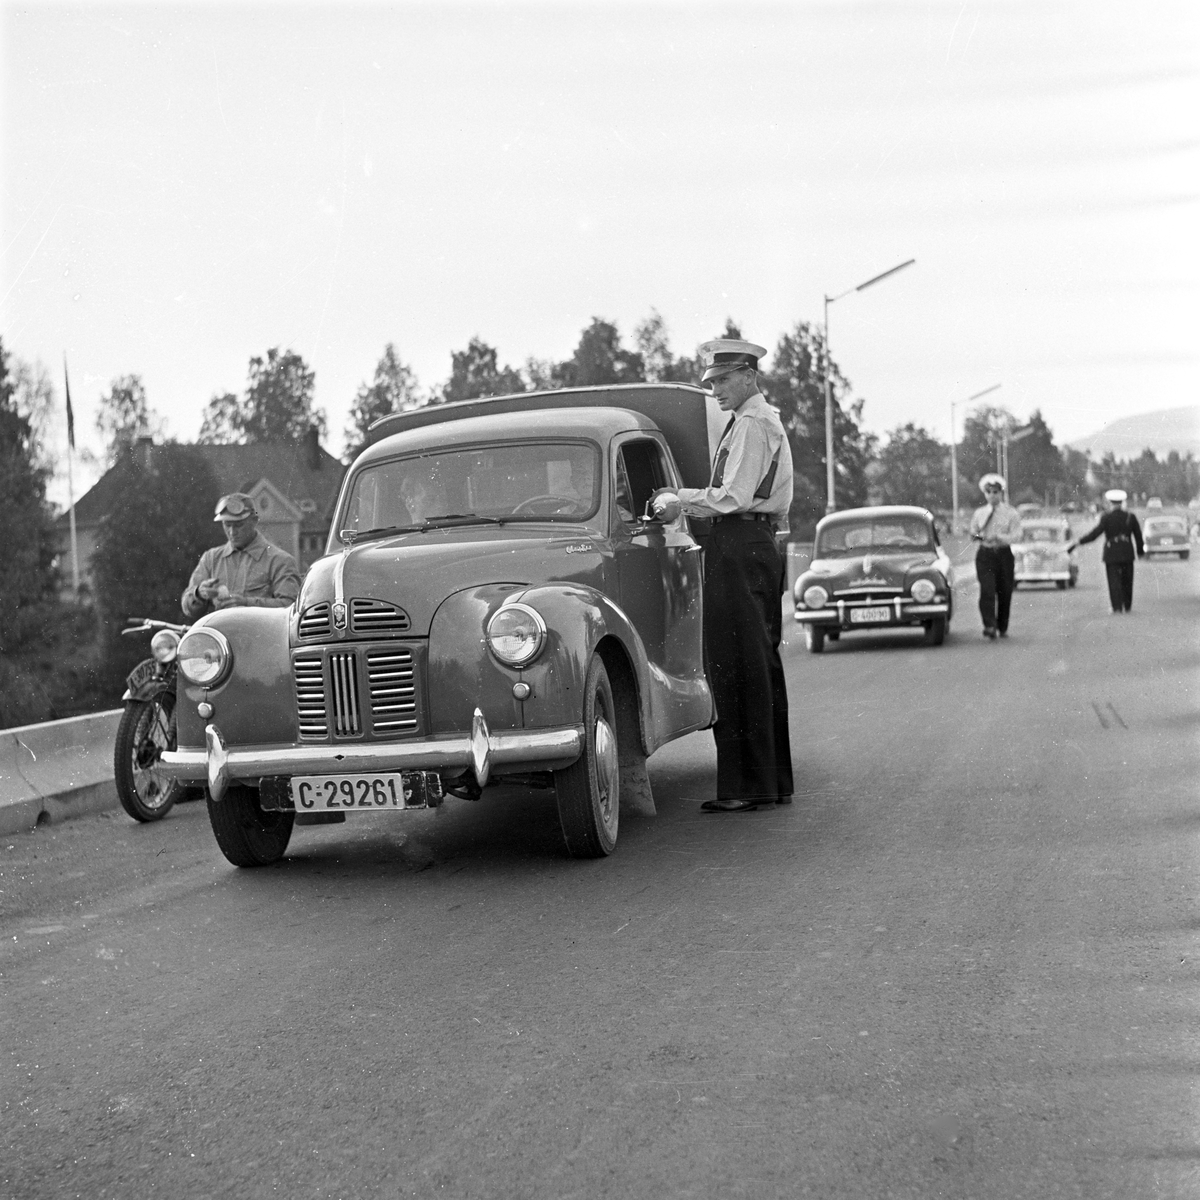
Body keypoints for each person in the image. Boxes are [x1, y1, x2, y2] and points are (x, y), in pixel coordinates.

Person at [655, 339, 794, 813]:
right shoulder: (753, 421)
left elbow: (732, 496)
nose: (715, 389)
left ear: (750, 375)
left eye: (724, 380)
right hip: (755, 544)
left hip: (738, 541)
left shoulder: (752, 425)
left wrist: (679, 499)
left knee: (735, 664)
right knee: (757, 661)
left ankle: (745, 787)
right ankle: (768, 782)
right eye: (711, 382)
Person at [182, 493, 302, 618]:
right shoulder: (211, 559)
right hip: (220, 634)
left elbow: (291, 608)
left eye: (239, 525)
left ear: (254, 521)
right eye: (227, 525)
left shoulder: (280, 561)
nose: (232, 532)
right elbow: (187, 608)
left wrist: (247, 604)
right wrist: (198, 594)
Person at [1067, 489, 1144, 613]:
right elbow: (1138, 536)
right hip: (1127, 552)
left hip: (1111, 552)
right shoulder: (1131, 517)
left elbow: (1095, 534)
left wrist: (1079, 541)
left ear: (1110, 503)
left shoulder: (1106, 517)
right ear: (1122, 502)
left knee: (1113, 581)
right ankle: (1127, 605)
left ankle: (1117, 607)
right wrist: (1140, 552)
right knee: (1127, 580)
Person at [969, 473, 1022, 640]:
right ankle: (989, 625)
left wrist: (1000, 538)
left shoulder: (1011, 513)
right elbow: (972, 533)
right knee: (987, 590)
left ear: (1001, 493)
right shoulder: (979, 513)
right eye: (989, 492)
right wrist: (981, 537)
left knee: (1005, 592)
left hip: (1004, 555)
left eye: (996, 492)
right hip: (985, 555)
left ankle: (1002, 626)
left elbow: (1017, 535)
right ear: (985, 494)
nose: (992, 495)